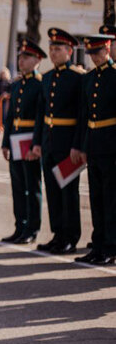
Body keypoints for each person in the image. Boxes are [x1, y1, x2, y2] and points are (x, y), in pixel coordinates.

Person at [31, 28, 84, 255]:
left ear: (69, 51)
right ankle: (57, 234)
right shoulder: (48, 77)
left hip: (68, 144)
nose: (53, 53)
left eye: (58, 49)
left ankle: (71, 236)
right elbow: (41, 114)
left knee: (68, 192)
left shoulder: (77, 77)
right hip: (50, 141)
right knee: (52, 191)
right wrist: (37, 142)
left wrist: (78, 145)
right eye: (51, 49)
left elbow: (82, 115)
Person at [75, 34, 116, 265]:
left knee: (111, 200)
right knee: (96, 199)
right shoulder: (88, 79)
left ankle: (111, 246)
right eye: (91, 54)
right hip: (94, 145)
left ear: (107, 49)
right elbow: (84, 116)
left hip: (111, 145)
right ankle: (98, 245)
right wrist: (82, 146)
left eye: (98, 52)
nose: (94, 57)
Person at [0, 39, 45, 244]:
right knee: (17, 186)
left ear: (37, 60)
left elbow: (40, 117)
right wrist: (5, 142)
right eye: (20, 57)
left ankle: (32, 228)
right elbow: (10, 116)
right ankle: (20, 225)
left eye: (26, 57)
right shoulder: (17, 84)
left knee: (31, 185)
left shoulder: (39, 84)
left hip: (29, 137)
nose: (21, 60)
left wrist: (37, 143)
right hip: (16, 137)